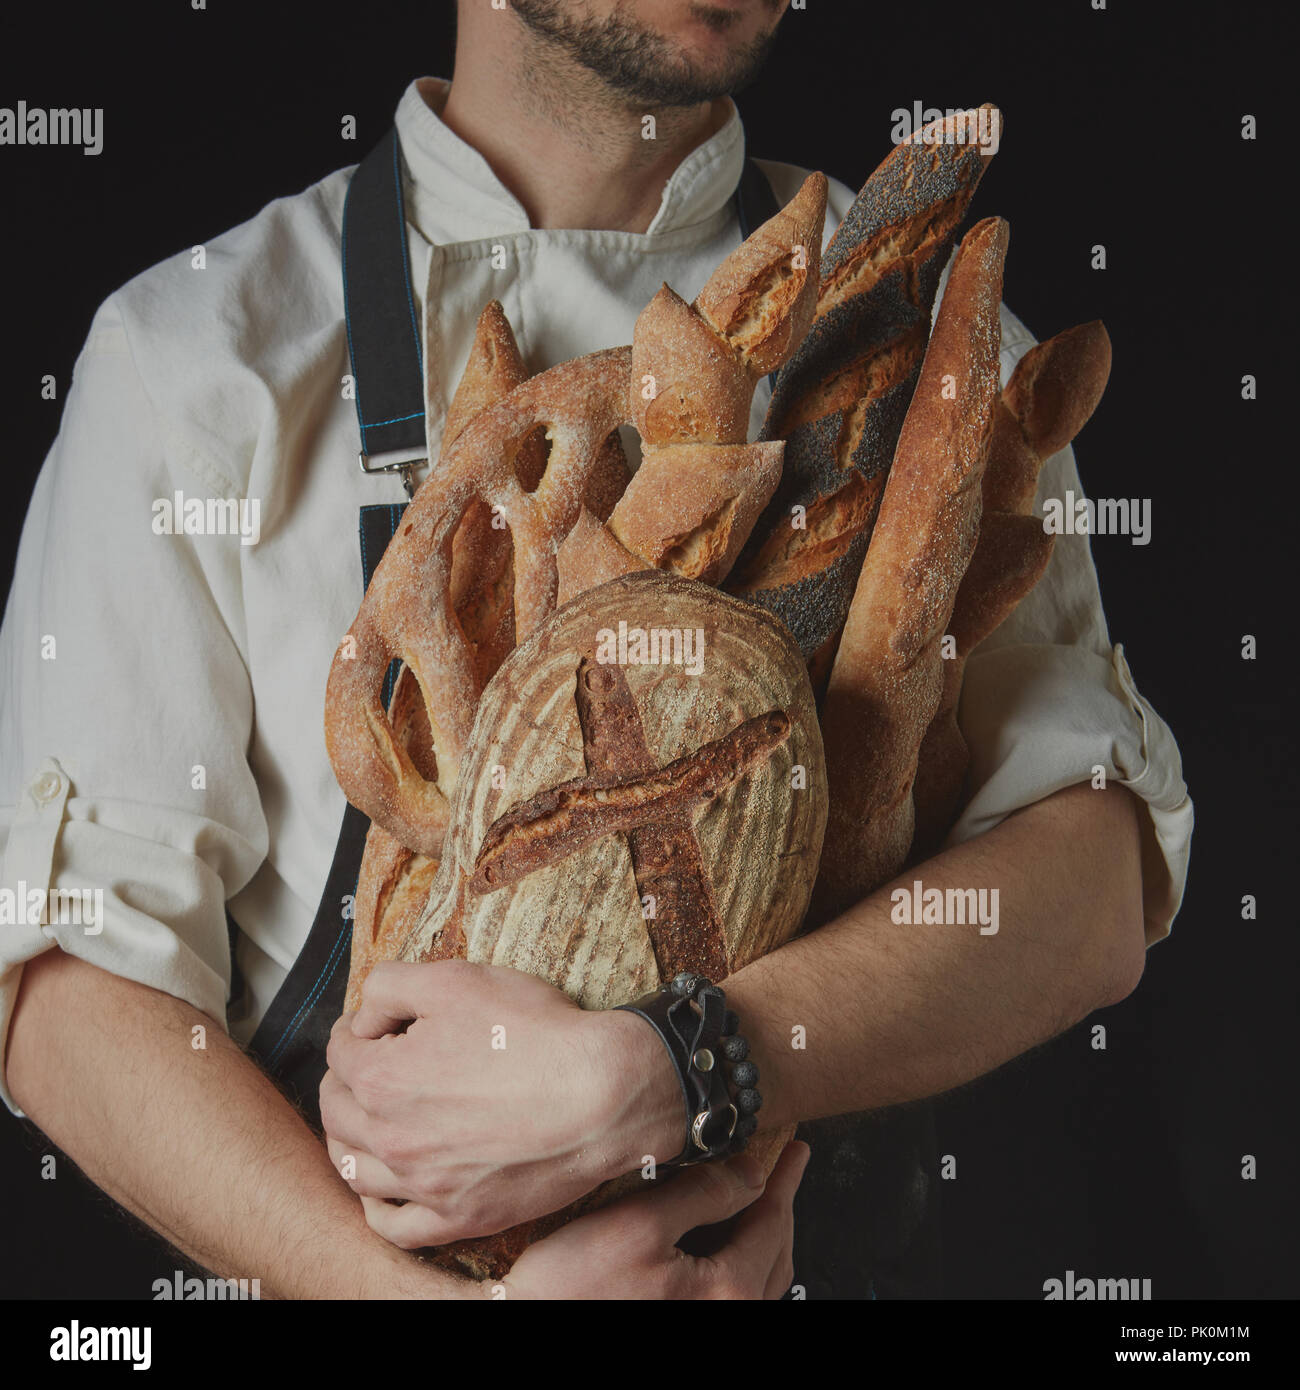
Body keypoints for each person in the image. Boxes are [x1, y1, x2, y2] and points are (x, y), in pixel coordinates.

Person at [0, 0, 1192, 1300]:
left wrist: (674, 1073)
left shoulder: (924, 347)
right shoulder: (189, 367)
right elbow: (69, 990)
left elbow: (1095, 879)